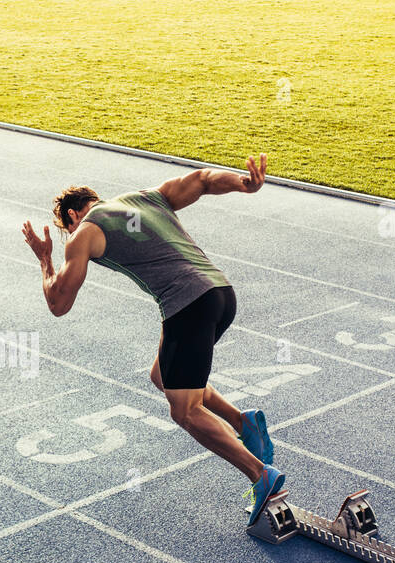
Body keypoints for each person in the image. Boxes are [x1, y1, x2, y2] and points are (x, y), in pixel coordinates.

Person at [21, 154, 284, 523]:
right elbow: (204, 178)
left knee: (186, 411)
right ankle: (244, 423)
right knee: (163, 377)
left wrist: (45, 260)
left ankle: (261, 475)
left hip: (188, 305)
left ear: (70, 218)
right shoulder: (145, 197)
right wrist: (245, 183)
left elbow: (58, 304)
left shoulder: (82, 235)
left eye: (67, 229)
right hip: (221, 294)